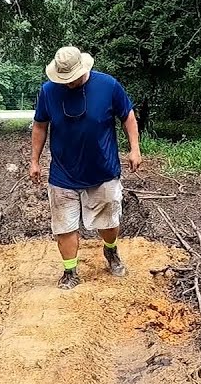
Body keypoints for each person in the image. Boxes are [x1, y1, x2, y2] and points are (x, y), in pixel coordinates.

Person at [29, 46, 142, 289]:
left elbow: (128, 116)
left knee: (109, 222)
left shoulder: (108, 86)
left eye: (71, 78)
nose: (67, 83)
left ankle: (110, 250)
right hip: (63, 173)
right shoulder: (48, 92)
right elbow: (40, 126)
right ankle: (70, 272)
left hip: (102, 171)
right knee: (64, 225)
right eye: (63, 79)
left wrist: (135, 148)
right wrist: (34, 161)